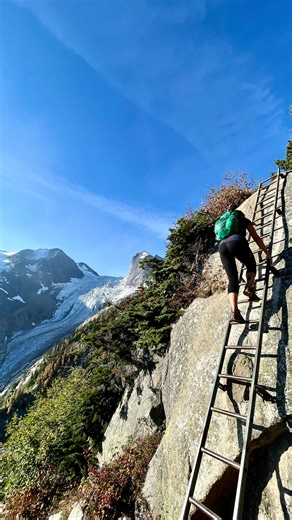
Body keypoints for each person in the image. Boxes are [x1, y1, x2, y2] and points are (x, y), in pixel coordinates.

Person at [218, 203, 272, 324]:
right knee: (251, 265)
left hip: (222, 247)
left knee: (232, 280)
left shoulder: (222, 223)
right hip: (237, 241)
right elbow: (256, 238)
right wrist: (267, 254)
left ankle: (235, 312)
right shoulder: (242, 219)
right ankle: (249, 287)